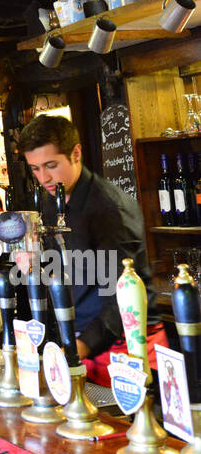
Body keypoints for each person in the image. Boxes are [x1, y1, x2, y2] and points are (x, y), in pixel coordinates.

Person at [17, 114, 164, 387]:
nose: (44, 177)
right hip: (80, 340)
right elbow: (69, 270)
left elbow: (127, 293)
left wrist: (79, 347)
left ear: (75, 153)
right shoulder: (52, 203)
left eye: (51, 165)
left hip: (127, 342)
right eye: (35, 169)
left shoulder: (109, 209)